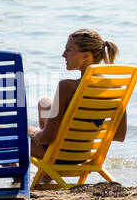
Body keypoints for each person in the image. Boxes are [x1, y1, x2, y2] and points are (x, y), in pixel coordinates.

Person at [28, 29, 126, 162]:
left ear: (85, 56)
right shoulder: (116, 89)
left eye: (68, 50)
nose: (63, 55)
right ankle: (46, 175)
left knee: (1, 134)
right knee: (45, 103)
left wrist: (31, 131)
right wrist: (87, 131)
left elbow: (46, 138)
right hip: (85, 155)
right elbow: (119, 135)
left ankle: (34, 172)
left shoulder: (67, 87)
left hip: (59, 156)